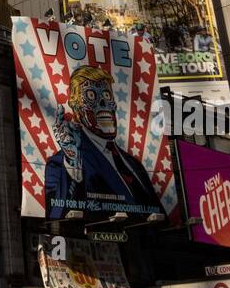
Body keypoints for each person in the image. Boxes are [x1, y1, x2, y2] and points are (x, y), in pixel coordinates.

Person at [44, 66, 165, 219]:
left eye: (107, 95)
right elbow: (56, 213)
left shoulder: (133, 164)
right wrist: (73, 162)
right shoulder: (61, 163)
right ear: (76, 107)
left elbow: (160, 216)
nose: (103, 103)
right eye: (91, 95)